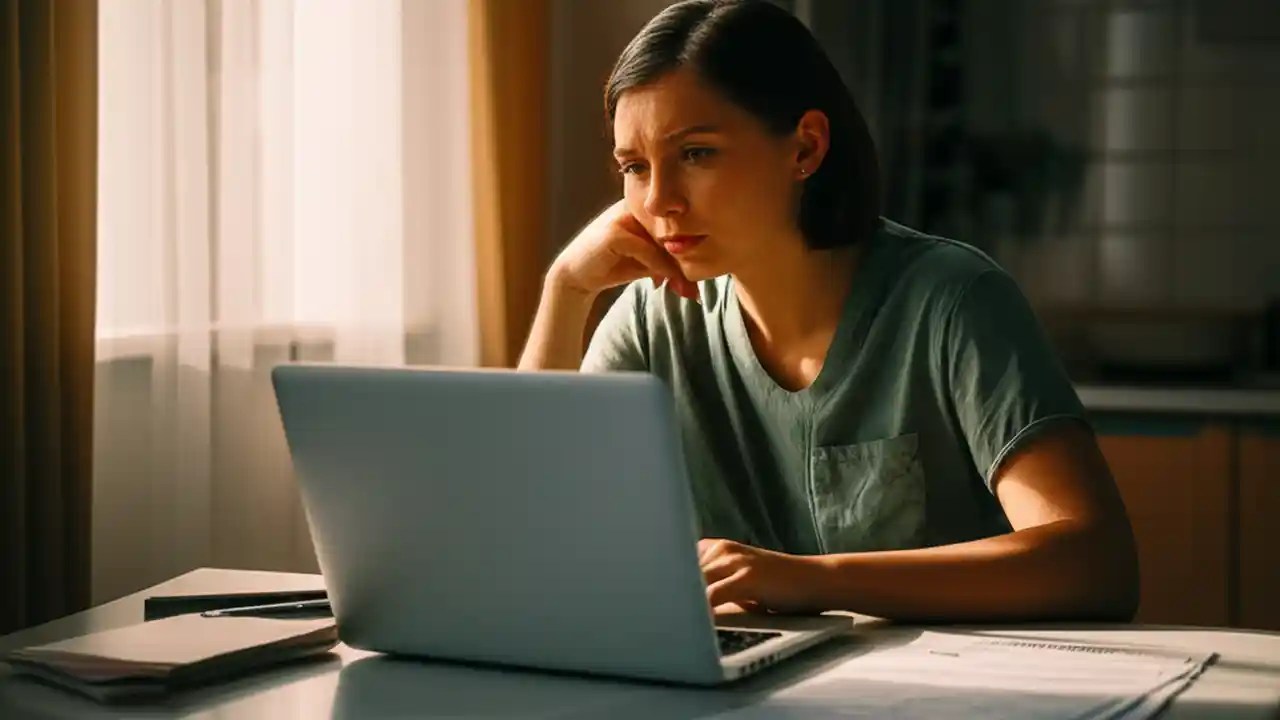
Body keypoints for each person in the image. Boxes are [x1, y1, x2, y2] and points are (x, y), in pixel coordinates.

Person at [519, 0, 1138, 623]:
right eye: (634, 167)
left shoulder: (953, 300)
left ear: (806, 148)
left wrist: (813, 581)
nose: (659, 201)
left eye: (697, 154)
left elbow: (1094, 562)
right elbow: (529, 530)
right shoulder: (653, 318)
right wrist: (565, 291)